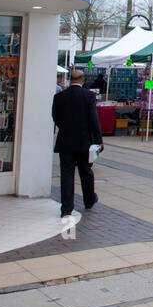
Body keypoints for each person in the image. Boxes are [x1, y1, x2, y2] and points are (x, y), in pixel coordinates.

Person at [53, 68, 102, 220]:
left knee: (66, 174)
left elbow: (55, 116)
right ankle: (89, 199)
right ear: (83, 80)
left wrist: (65, 128)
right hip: (84, 141)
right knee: (85, 171)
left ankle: (66, 207)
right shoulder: (89, 96)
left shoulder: (59, 96)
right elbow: (94, 119)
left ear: (70, 80)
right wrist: (98, 140)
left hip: (66, 140)